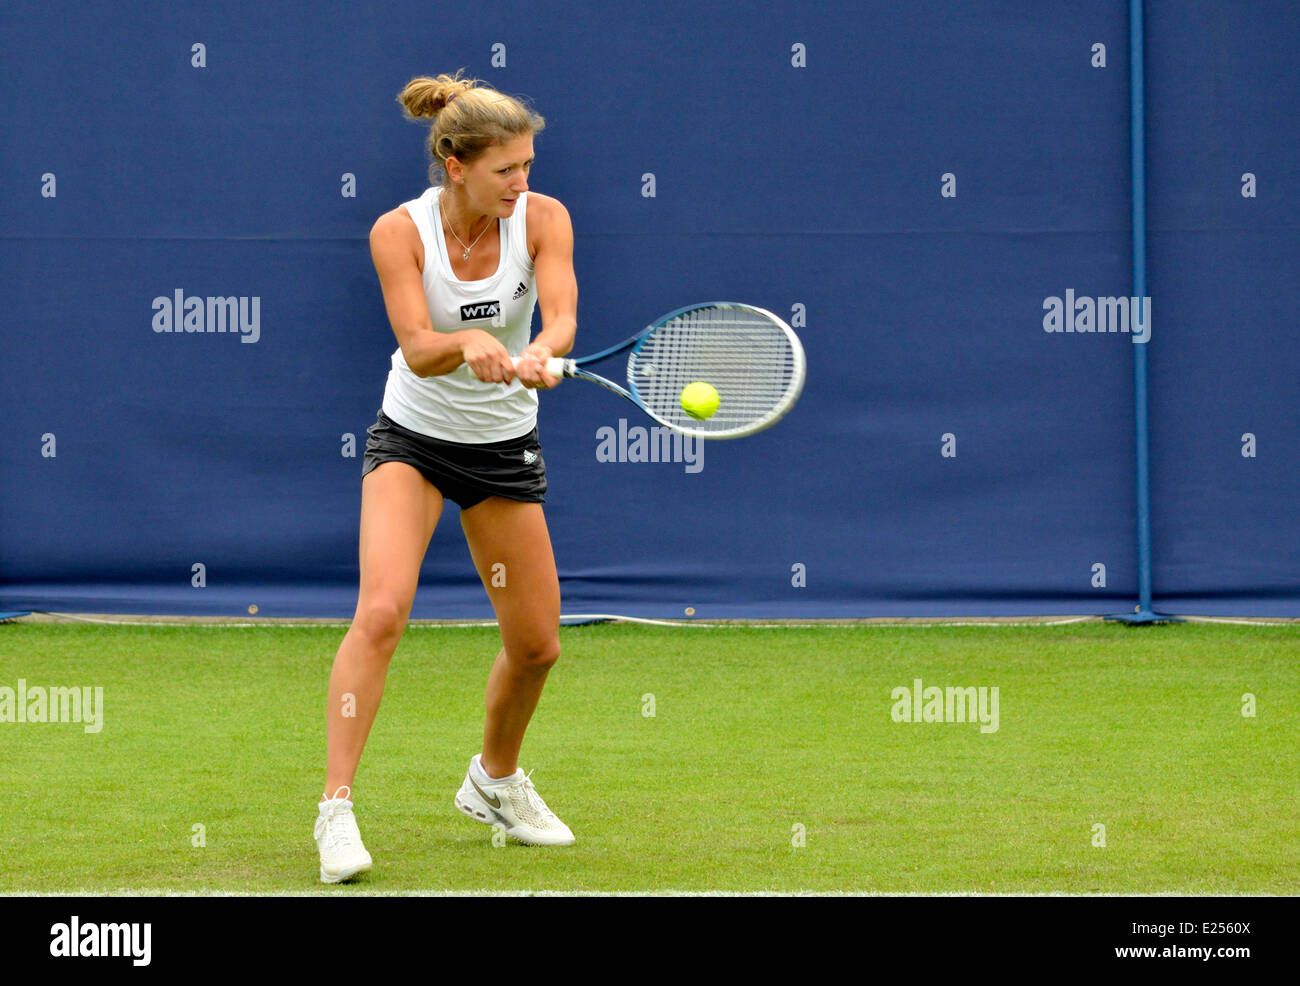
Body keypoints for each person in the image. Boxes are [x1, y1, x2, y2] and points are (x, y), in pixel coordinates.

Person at [313, 71, 578, 884]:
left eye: (528, 165)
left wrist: (544, 350)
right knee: (383, 610)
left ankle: (494, 780)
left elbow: (563, 313)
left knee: (536, 647)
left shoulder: (544, 219)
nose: (522, 182)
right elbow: (418, 345)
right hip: (415, 441)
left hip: (502, 449)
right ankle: (336, 809)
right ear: (456, 164)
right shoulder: (401, 231)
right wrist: (466, 345)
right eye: (507, 170)